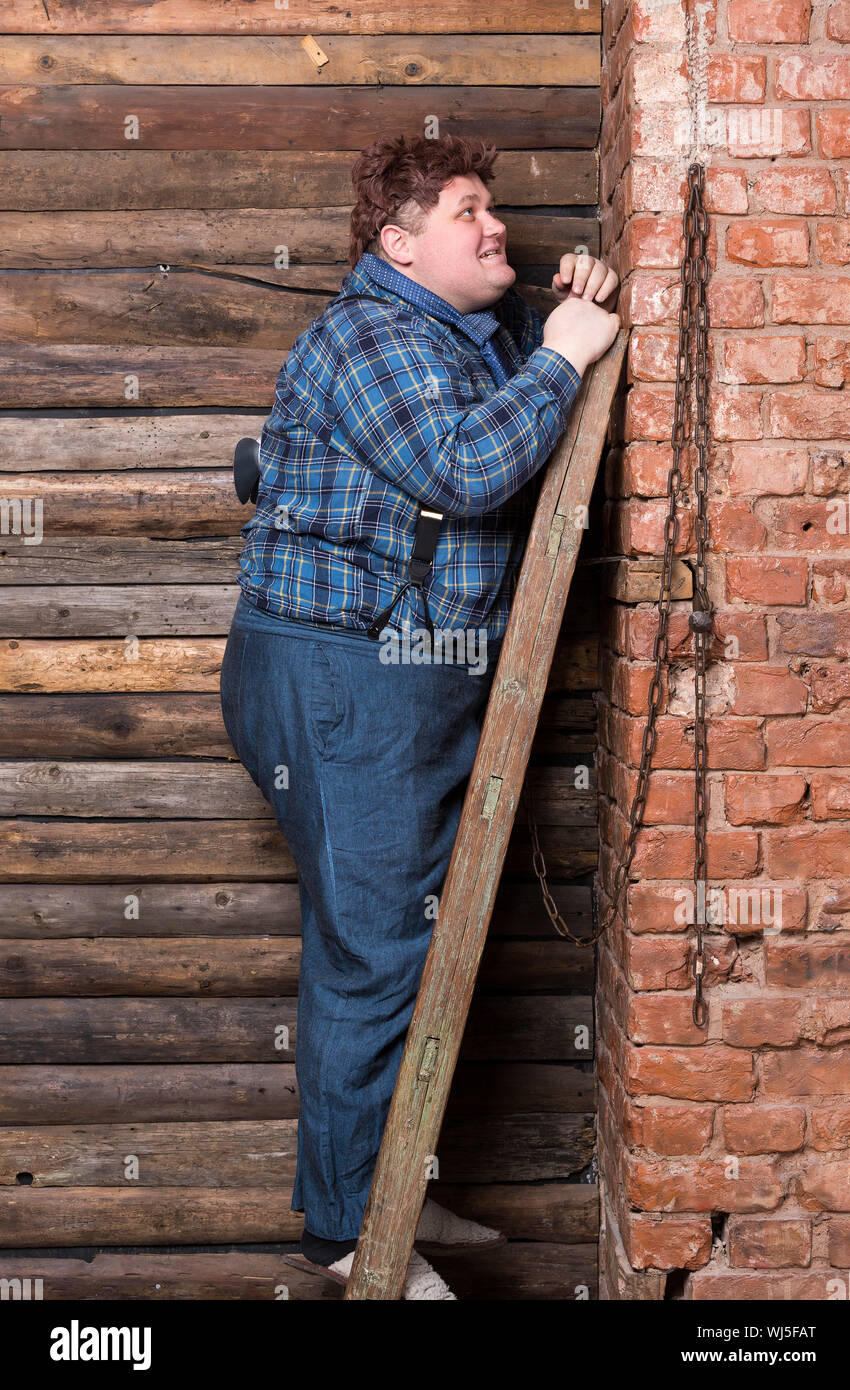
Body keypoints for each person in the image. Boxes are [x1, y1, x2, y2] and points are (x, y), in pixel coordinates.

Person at [219, 131, 620, 1299]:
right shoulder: (370, 336)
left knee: (400, 941)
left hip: (392, 677)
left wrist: (568, 322)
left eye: (490, 206)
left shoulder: (454, 336)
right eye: (465, 211)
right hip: (344, 677)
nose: (493, 226)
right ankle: (354, 1234)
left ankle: (391, 1176)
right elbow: (460, 468)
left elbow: (510, 434)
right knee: (373, 952)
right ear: (399, 246)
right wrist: (560, 357)